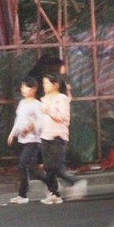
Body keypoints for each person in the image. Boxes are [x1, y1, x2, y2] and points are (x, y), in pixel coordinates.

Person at [39, 73, 87, 204]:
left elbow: (64, 117)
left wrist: (48, 110)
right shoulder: (43, 99)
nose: (44, 86)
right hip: (45, 135)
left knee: (56, 167)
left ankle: (75, 182)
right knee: (48, 168)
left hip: (58, 136)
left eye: (46, 83)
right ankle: (54, 193)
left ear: (55, 85)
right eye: (43, 83)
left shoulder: (62, 99)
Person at [6, 75, 44, 203]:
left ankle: (23, 195)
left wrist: (31, 128)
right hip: (22, 139)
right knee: (32, 169)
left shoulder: (37, 104)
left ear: (33, 89)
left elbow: (40, 121)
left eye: (26, 87)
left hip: (33, 140)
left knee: (23, 165)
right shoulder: (22, 103)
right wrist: (13, 133)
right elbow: (19, 120)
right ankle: (52, 184)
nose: (23, 89)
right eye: (22, 87)